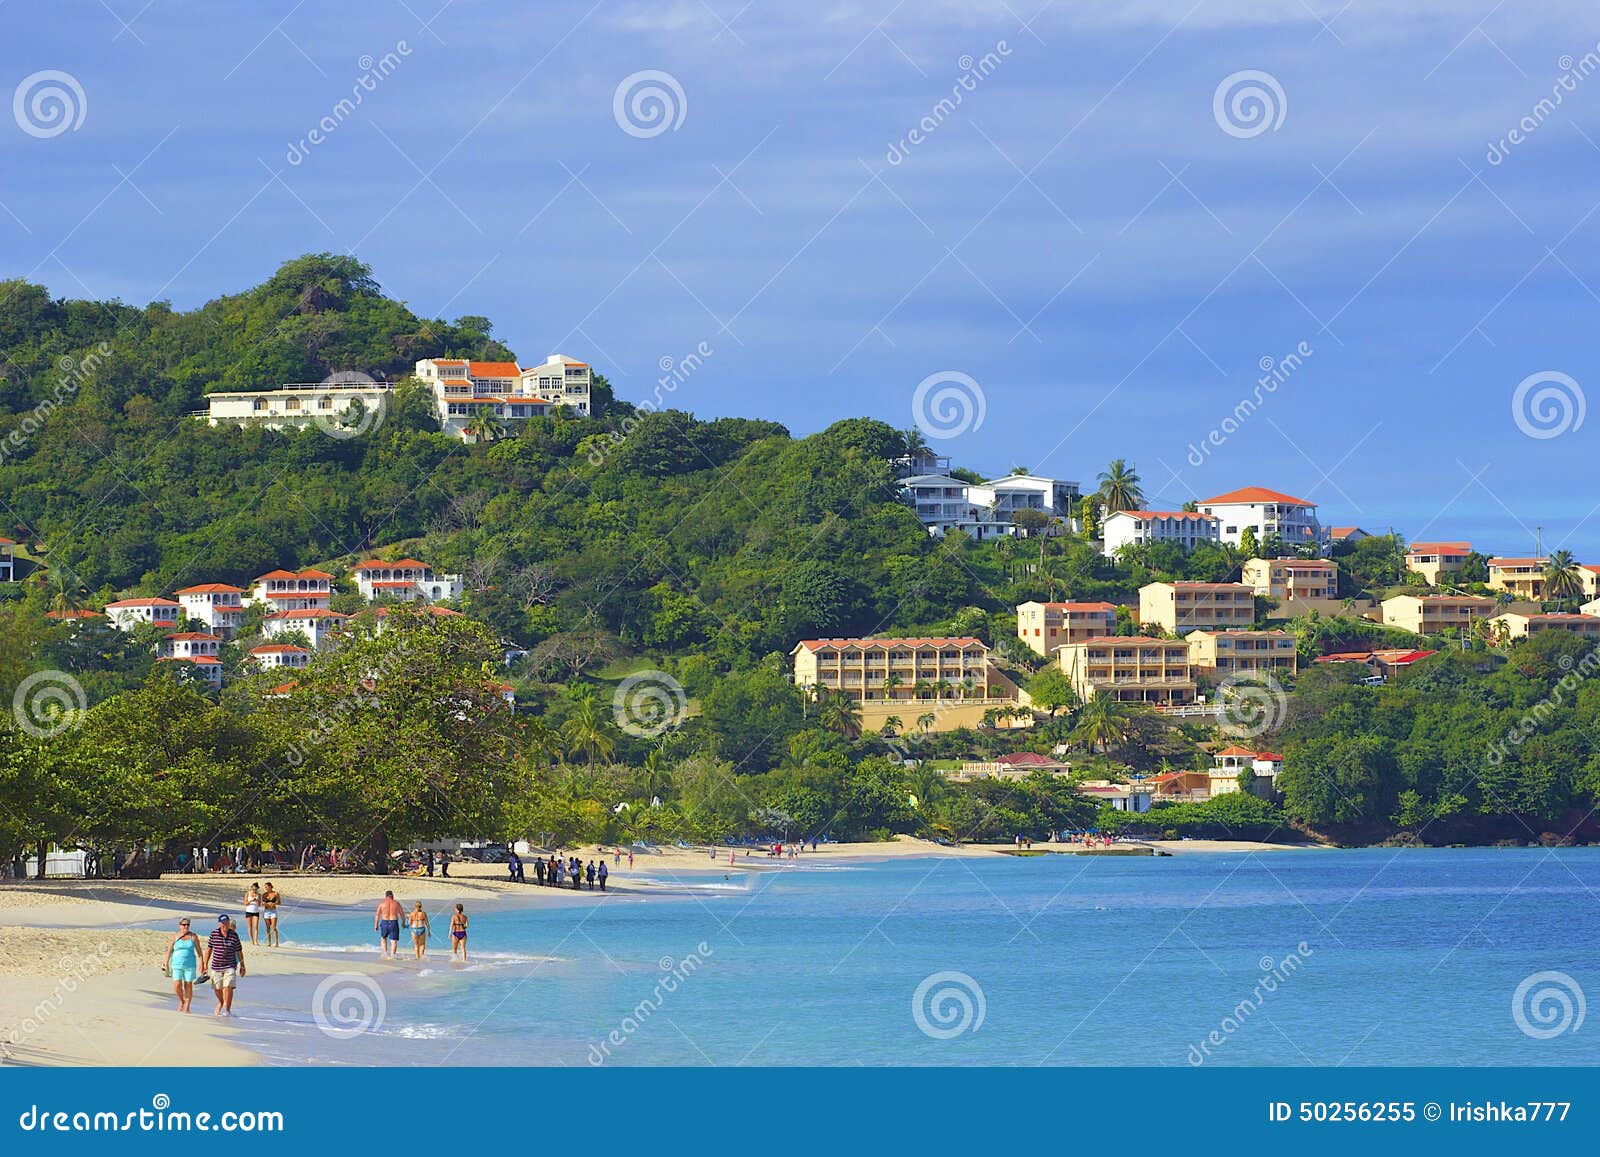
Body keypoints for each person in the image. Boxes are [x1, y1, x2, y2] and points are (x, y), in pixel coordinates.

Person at [203, 914, 245, 1018]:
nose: (225, 925)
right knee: (217, 988)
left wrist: (242, 965)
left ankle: (227, 1009)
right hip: (216, 966)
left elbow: (239, 951)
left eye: (226, 923)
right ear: (219, 923)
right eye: (223, 923)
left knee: (228, 986)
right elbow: (208, 951)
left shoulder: (234, 935)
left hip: (230, 965)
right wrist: (204, 964)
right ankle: (221, 1002)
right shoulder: (214, 934)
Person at [164, 917, 203, 1013]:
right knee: (177, 984)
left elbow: (199, 951)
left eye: (187, 925)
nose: (186, 926)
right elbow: (169, 950)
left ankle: (187, 1006)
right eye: (184, 925)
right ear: (180, 925)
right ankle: (181, 1001)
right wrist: (166, 963)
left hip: (190, 964)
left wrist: (202, 963)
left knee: (188, 984)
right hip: (176, 964)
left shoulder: (193, 936)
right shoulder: (175, 936)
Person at [374, 890, 404, 958]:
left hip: (384, 922)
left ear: (386, 896)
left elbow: (377, 915)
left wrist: (376, 924)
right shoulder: (396, 903)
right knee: (393, 941)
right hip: (393, 922)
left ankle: (385, 954)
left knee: (383, 939)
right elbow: (402, 914)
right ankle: (392, 956)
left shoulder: (382, 904)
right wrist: (403, 922)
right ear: (392, 895)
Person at [261, 881, 281, 947]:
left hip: (273, 911)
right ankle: (269, 942)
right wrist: (265, 904)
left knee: (274, 927)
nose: (265, 888)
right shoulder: (264, 894)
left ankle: (276, 942)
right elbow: (262, 903)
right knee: (268, 927)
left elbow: (279, 902)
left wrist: (274, 903)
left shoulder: (276, 893)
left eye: (266, 887)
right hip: (266, 911)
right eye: (265, 887)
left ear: (270, 886)